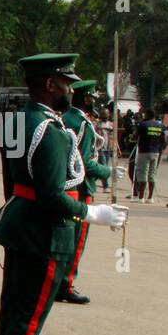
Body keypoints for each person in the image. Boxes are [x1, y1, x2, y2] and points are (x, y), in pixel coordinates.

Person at [0, 54, 128, 335]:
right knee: (28, 319)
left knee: (14, 315)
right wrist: (93, 214)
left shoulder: (20, 120)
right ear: (49, 84)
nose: (70, 88)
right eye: (65, 82)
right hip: (44, 233)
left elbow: (11, 178)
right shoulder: (47, 129)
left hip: (20, 224)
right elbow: (51, 195)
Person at [58, 81, 112, 305]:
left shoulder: (65, 118)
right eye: (92, 97)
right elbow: (84, 163)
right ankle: (66, 284)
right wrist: (107, 171)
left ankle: (58, 282)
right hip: (81, 188)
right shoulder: (82, 123)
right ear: (86, 98)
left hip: (67, 185)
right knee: (77, 239)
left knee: (65, 237)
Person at [132, 108, 168, 203]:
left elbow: (134, 137)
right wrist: (161, 150)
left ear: (147, 115)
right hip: (155, 152)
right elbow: (163, 140)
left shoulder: (143, 125)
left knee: (142, 174)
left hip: (144, 152)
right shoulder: (160, 126)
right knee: (152, 175)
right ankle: (150, 197)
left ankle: (141, 198)